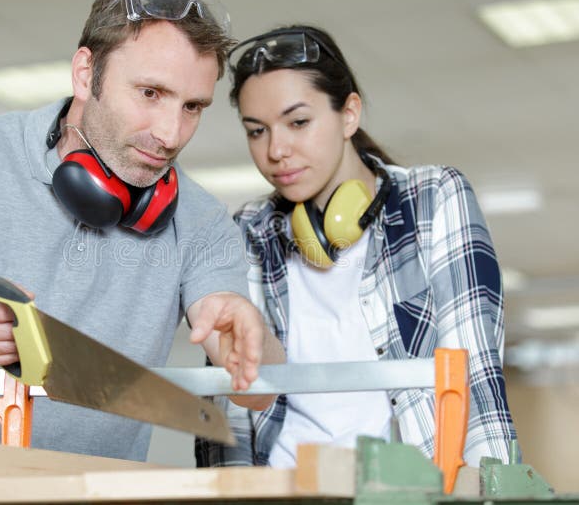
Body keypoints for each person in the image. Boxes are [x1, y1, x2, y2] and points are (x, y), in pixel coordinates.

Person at [0, 0, 285, 472]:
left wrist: (252, 343)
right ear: (84, 73)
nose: (170, 134)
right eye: (150, 93)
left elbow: (259, 393)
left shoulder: (200, 220)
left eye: (192, 107)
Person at [196, 25, 517, 468]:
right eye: (256, 131)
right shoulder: (250, 230)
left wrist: (489, 489)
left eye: (298, 122)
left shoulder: (433, 198)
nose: (276, 150)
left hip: (405, 491)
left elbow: (475, 374)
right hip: (284, 491)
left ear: (349, 114)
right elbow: (230, 410)